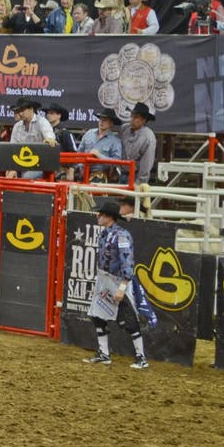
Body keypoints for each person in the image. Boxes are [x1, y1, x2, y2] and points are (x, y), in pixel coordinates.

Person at [83, 200, 150, 370]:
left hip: (117, 281)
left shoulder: (121, 236)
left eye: (101, 214)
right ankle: (104, 353)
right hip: (105, 279)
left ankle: (141, 358)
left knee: (128, 319)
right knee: (97, 316)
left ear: (109, 217)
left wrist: (122, 288)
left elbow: (127, 263)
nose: (97, 216)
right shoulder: (105, 233)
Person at [6, 97, 56, 179]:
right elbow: (13, 148)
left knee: (27, 176)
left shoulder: (42, 122)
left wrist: (50, 139)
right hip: (22, 162)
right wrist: (12, 169)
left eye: (22, 110)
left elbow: (49, 136)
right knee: (9, 175)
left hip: (40, 163)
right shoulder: (17, 126)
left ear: (31, 109)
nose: (20, 113)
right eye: (19, 111)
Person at [78, 107, 123, 182]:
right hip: (83, 173)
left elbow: (117, 161)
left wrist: (99, 156)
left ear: (111, 123)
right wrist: (80, 167)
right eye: (100, 119)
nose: (101, 122)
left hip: (102, 176)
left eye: (105, 120)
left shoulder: (115, 141)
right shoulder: (89, 133)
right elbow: (79, 152)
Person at [119, 102, 156, 185]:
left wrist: (140, 182)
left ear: (144, 120)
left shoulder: (148, 137)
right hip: (122, 174)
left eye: (136, 117)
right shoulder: (125, 129)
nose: (132, 119)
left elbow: (147, 162)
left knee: (131, 197)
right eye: (132, 116)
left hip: (136, 176)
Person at [42, 103, 77, 180]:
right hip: (46, 167)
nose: (48, 115)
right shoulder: (44, 132)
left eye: (51, 113)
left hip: (61, 170)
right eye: (47, 113)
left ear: (59, 116)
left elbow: (74, 153)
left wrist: (71, 171)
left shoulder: (65, 132)